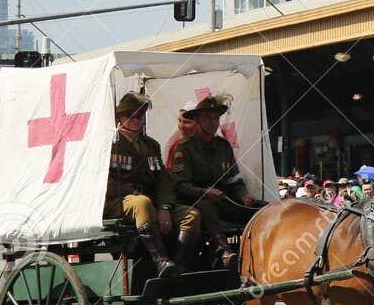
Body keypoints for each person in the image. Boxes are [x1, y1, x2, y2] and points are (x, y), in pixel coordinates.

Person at [172, 94, 265, 268]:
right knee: (205, 206)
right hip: (195, 201)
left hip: (223, 201)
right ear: (197, 119)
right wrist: (204, 192)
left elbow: (234, 179)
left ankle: (261, 254)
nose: (213, 122)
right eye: (208, 117)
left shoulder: (223, 146)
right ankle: (225, 253)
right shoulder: (184, 148)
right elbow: (179, 186)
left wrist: (243, 194)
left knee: (261, 209)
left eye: (216, 118)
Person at [105, 92, 177, 277]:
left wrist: (163, 206)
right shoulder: (109, 144)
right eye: (130, 115)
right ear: (119, 117)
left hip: (150, 201)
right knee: (142, 203)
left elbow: (163, 179)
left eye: (140, 115)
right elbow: (106, 181)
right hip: (116, 202)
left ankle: (183, 266)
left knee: (191, 215)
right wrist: (135, 194)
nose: (136, 120)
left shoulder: (151, 145)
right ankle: (160, 261)